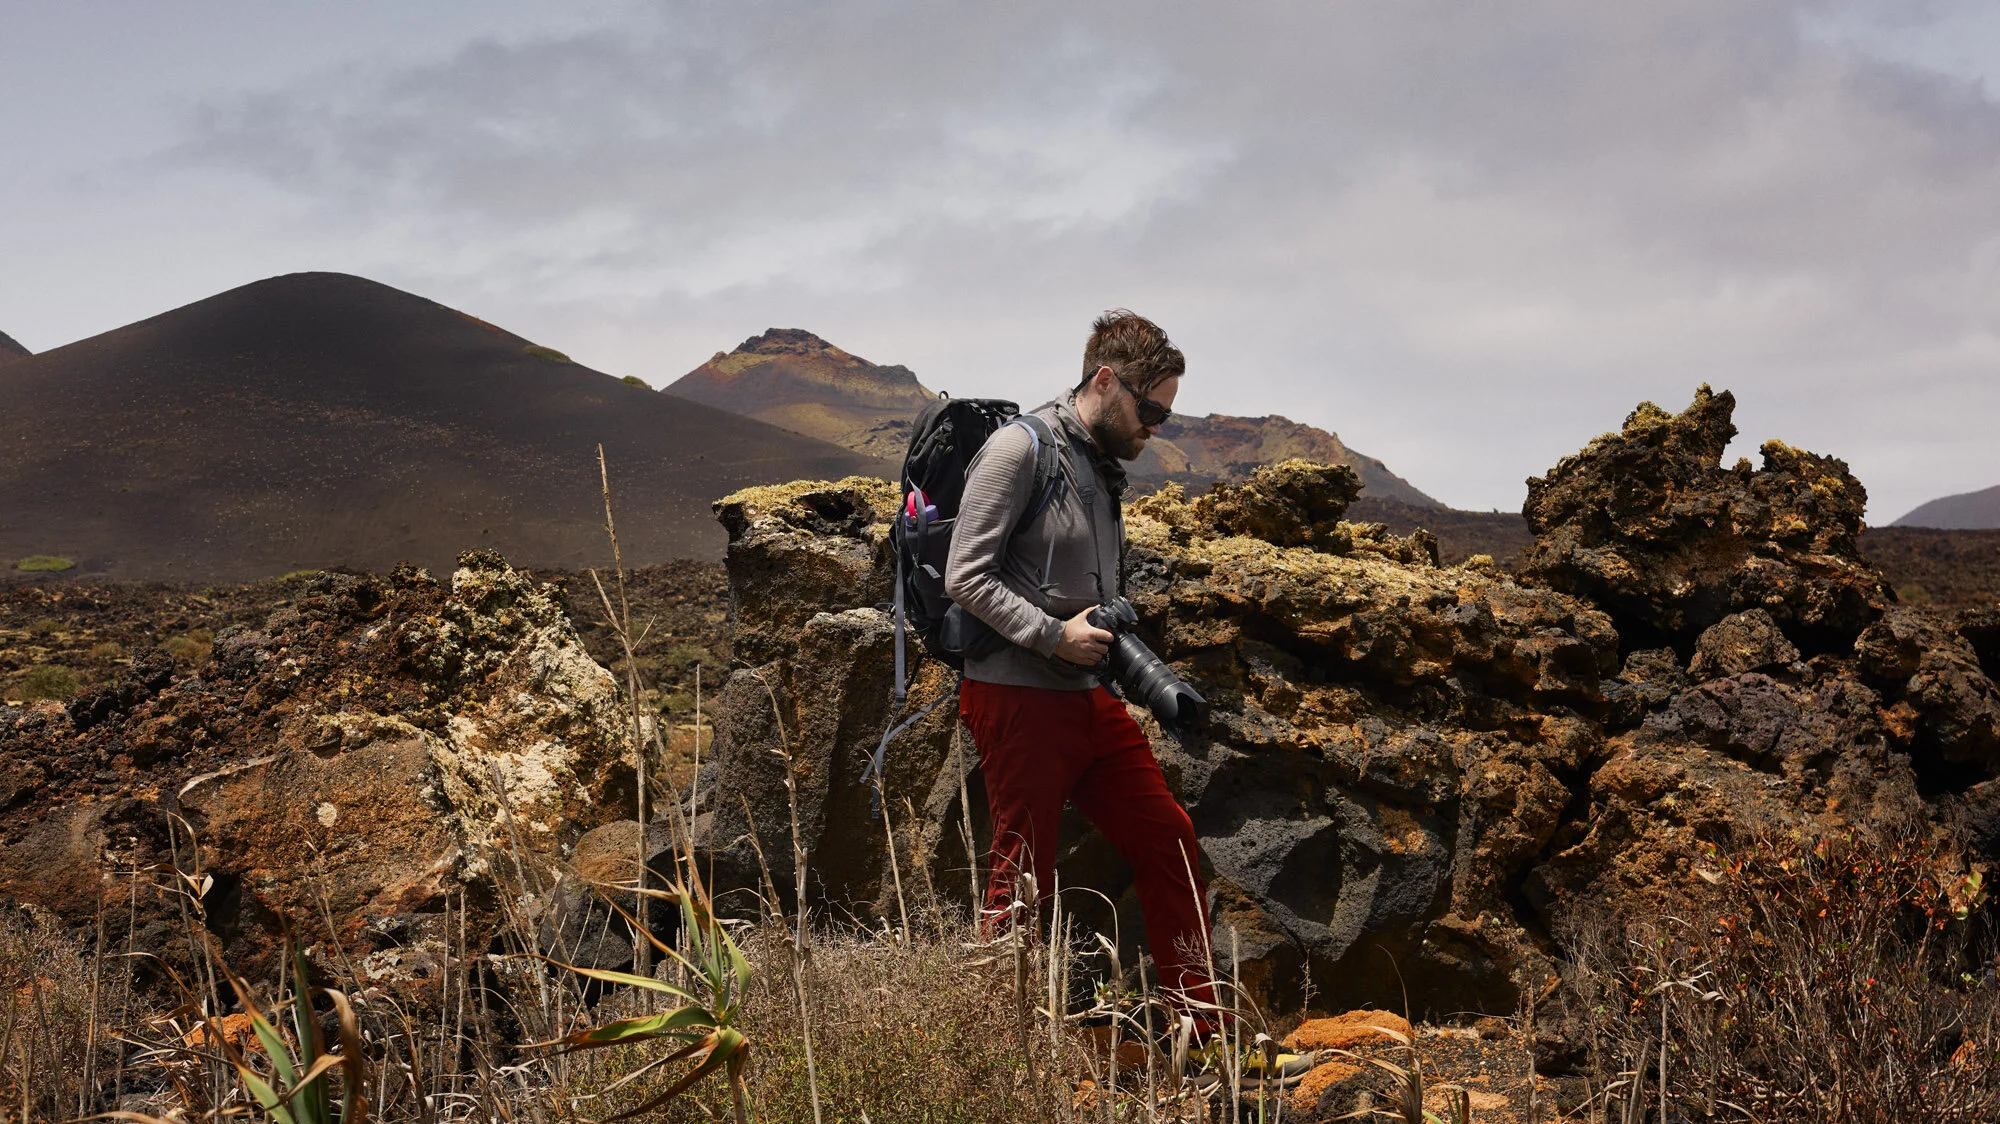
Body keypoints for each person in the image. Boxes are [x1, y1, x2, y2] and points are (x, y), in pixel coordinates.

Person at [944, 308, 1215, 1017]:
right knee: (1022, 876)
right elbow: (965, 575)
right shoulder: (1019, 449)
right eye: (1150, 410)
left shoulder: (1099, 464)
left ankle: (1202, 1029)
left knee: (1169, 839)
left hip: (1086, 695)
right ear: (1105, 380)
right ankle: (998, 1047)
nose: (1156, 427)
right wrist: (1051, 635)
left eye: (1166, 415)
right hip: (1016, 696)